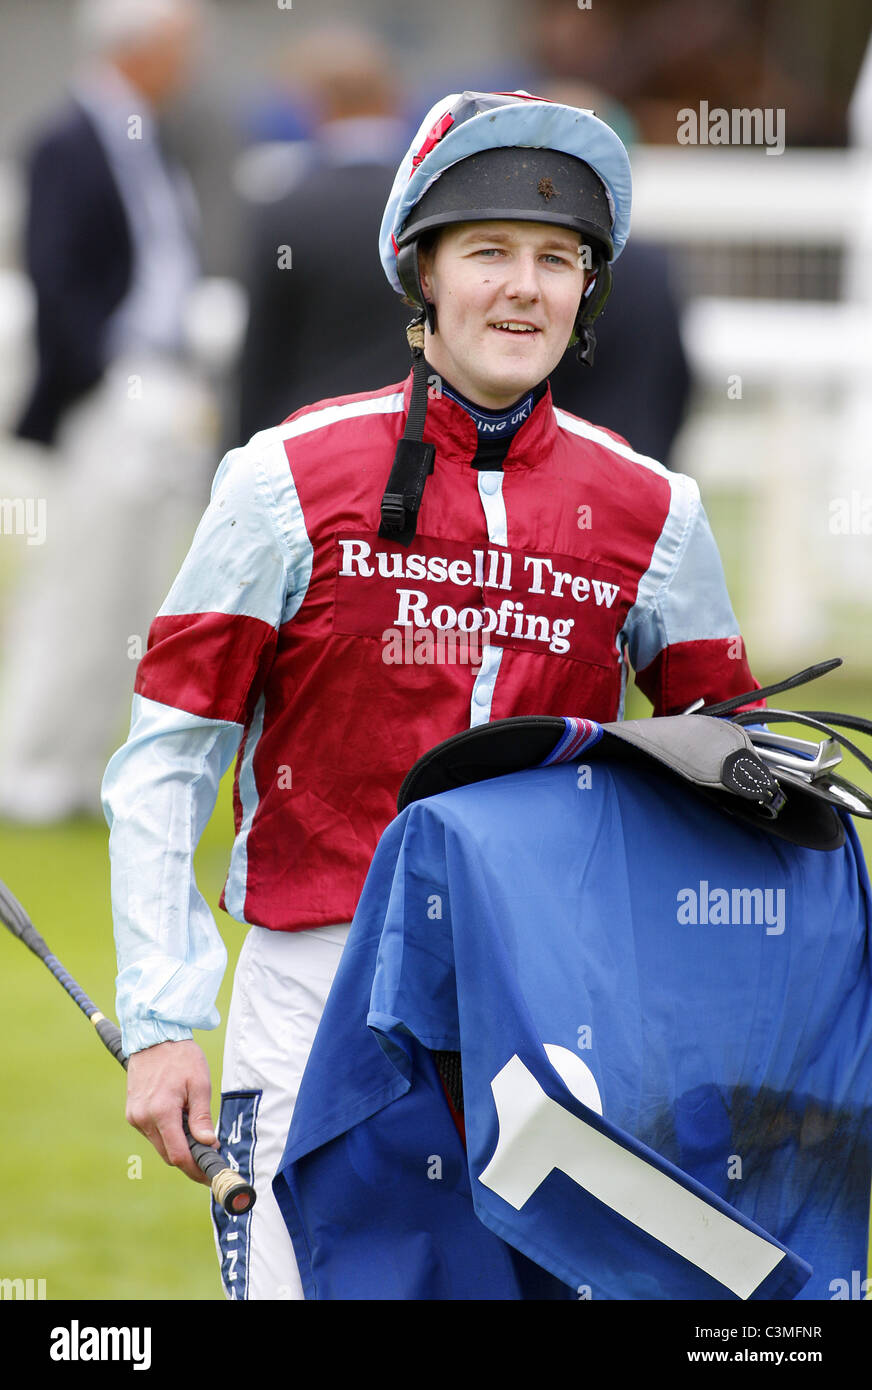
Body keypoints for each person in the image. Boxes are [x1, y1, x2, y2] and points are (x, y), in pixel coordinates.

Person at [103, 89, 762, 1301]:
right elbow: (167, 754)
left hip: (556, 1013)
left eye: (557, 260)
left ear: (587, 291)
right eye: (489, 253)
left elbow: (731, 769)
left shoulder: (653, 511)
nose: (524, 287)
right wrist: (157, 1020)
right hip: (314, 993)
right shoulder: (282, 478)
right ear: (421, 275)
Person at [0, 0, 214, 823]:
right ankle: (30, 770)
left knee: (134, 590)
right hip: (108, 390)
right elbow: (53, 273)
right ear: (142, 47)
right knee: (77, 583)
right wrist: (96, 370)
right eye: (180, 47)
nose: (188, 64)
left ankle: (85, 763)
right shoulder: (68, 137)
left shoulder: (144, 134)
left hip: (159, 385)